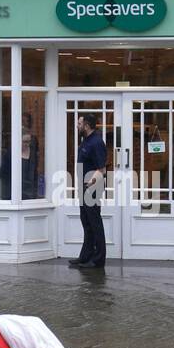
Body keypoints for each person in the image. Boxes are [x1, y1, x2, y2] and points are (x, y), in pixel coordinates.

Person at [70, 112, 107, 269]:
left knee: (94, 223)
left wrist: (89, 184)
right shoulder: (86, 141)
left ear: (86, 125)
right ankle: (85, 256)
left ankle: (98, 259)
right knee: (86, 222)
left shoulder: (97, 142)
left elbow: (102, 169)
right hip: (83, 187)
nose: (77, 126)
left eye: (79, 123)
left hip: (91, 187)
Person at [21, 111, 41, 199]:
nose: (24, 124)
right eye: (22, 121)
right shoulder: (16, 137)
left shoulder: (33, 139)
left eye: (25, 121)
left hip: (31, 169)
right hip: (21, 168)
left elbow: (36, 154)